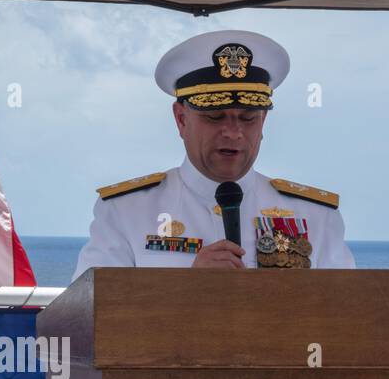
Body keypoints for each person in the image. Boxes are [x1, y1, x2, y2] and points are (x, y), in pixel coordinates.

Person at [72, 30, 355, 279]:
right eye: (215, 117)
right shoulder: (125, 212)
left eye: (248, 118)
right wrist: (189, 289)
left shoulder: (316, 216)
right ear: (181, 119)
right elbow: (93, 316)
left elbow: (347, 317)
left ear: (264, 122)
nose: (233, 133)